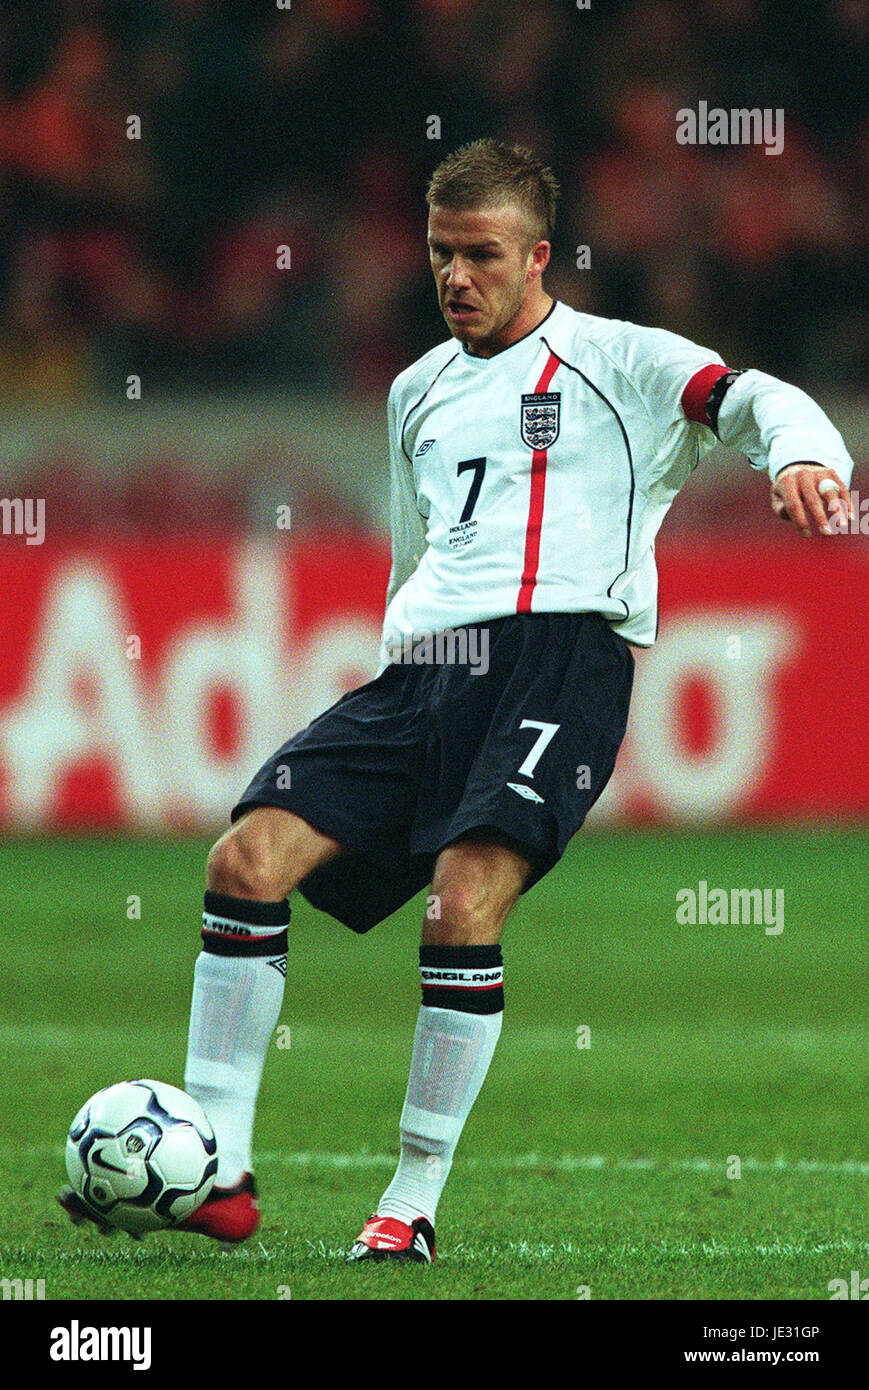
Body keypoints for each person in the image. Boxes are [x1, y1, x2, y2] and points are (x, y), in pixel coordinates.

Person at [60, 138, 855, 1262]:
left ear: (538, 258)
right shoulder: (413, 392)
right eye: (441, 253)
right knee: (244, 859)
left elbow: (745, 395)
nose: (455, 278)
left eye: (481, 255)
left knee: (460, 900)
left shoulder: (619, 362)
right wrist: (398, 653)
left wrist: (797, 458)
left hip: (562, 661)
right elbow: (414, 549)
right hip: (425, 672)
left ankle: (409, 1198)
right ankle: (218, 1172)